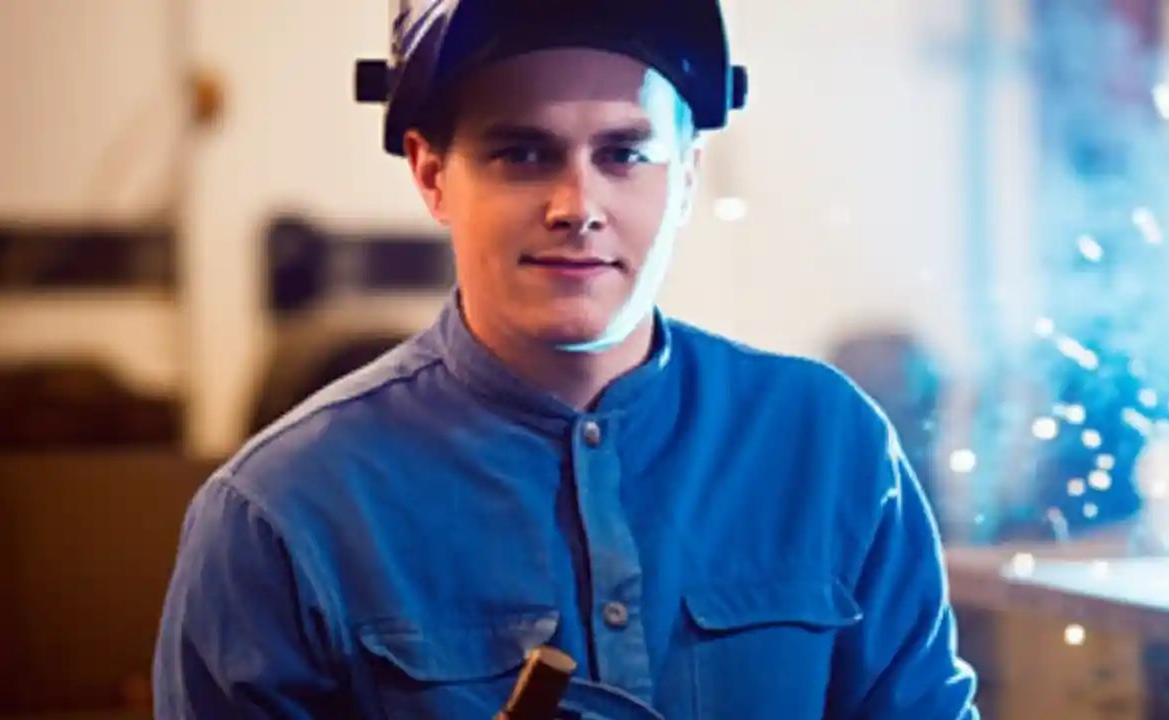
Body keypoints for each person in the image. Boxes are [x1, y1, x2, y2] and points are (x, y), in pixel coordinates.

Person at [152, 0, 980, 717]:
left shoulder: (829, 449)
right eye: (523, 153)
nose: (576, 206)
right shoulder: (282, 513)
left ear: (688, 177)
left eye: (624, 154)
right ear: (431, 174)